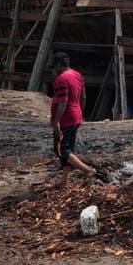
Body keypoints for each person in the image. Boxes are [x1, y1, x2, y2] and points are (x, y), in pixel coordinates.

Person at [50, 52, 97, 188]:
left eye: (54, 66)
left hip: (66, 118)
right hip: (76, 116)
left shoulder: (61, 79)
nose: (54, 69)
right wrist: (79, 112)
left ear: (59, 64)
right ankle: (64, 181)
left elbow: (63, 102)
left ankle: (88, 170)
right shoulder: (78, 75)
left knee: (61, 151)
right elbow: (84, 97)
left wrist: (57, 121)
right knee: (68, 149)